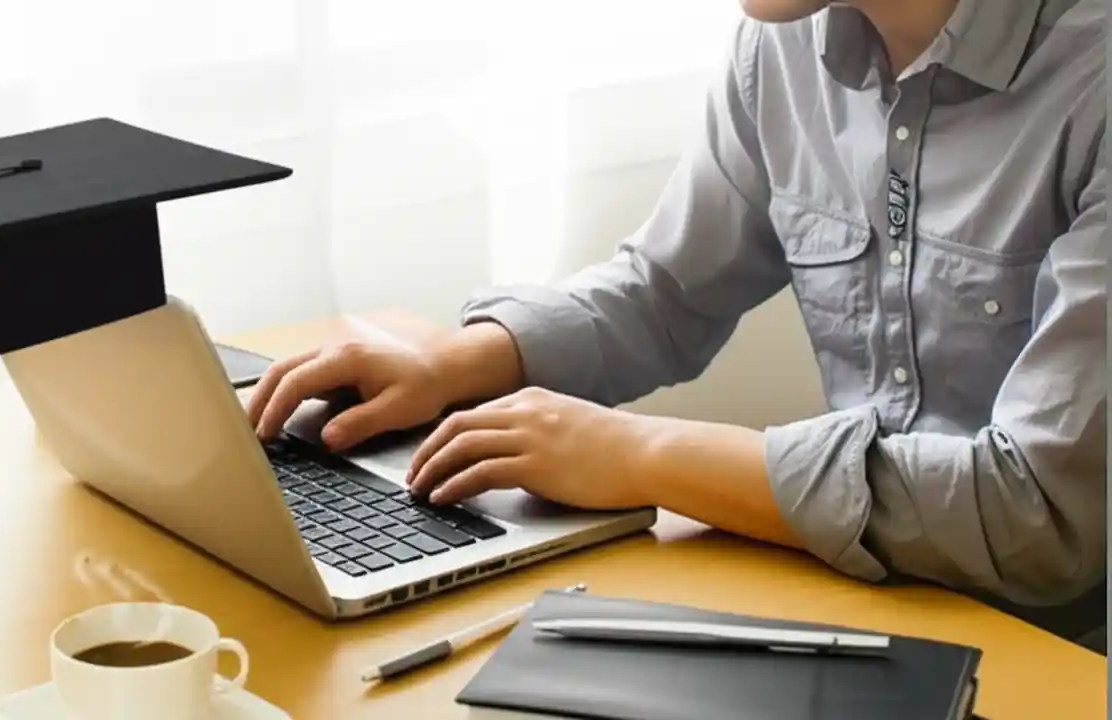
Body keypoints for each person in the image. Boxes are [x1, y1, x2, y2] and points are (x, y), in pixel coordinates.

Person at [248, 0, 1106, 641]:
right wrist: (465, 362)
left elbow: (1042, 517)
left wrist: (640, 454)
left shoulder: (1093, 80)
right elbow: (664, 291)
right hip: (858, 605)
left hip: (1056, 650)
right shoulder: (780, 47)